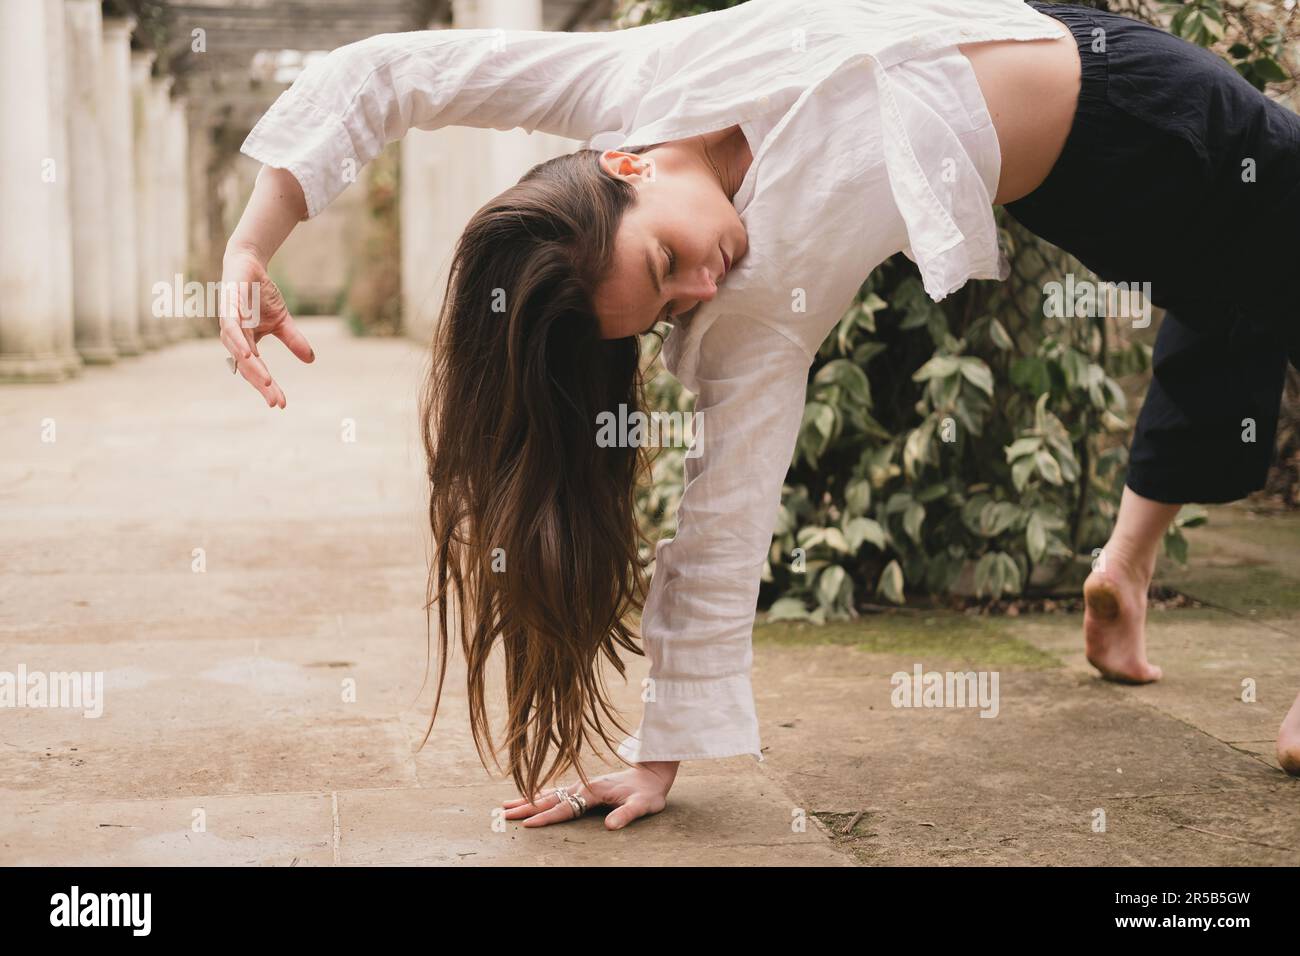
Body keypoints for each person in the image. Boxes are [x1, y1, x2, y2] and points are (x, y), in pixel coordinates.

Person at [218, 0, 1300, 830]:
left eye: (666, 259)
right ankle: (1131, 568)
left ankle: (1123, 569)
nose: (699, 286)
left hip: (1076, 56)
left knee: (1233, 302)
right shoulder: (756, 307)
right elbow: (720, 516)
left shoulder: (646, 79)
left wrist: (252, 239)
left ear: (628, 163)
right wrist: (661, 749)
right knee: (1246, 276)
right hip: (1140, 134)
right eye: (666, 306)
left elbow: (405, 73)